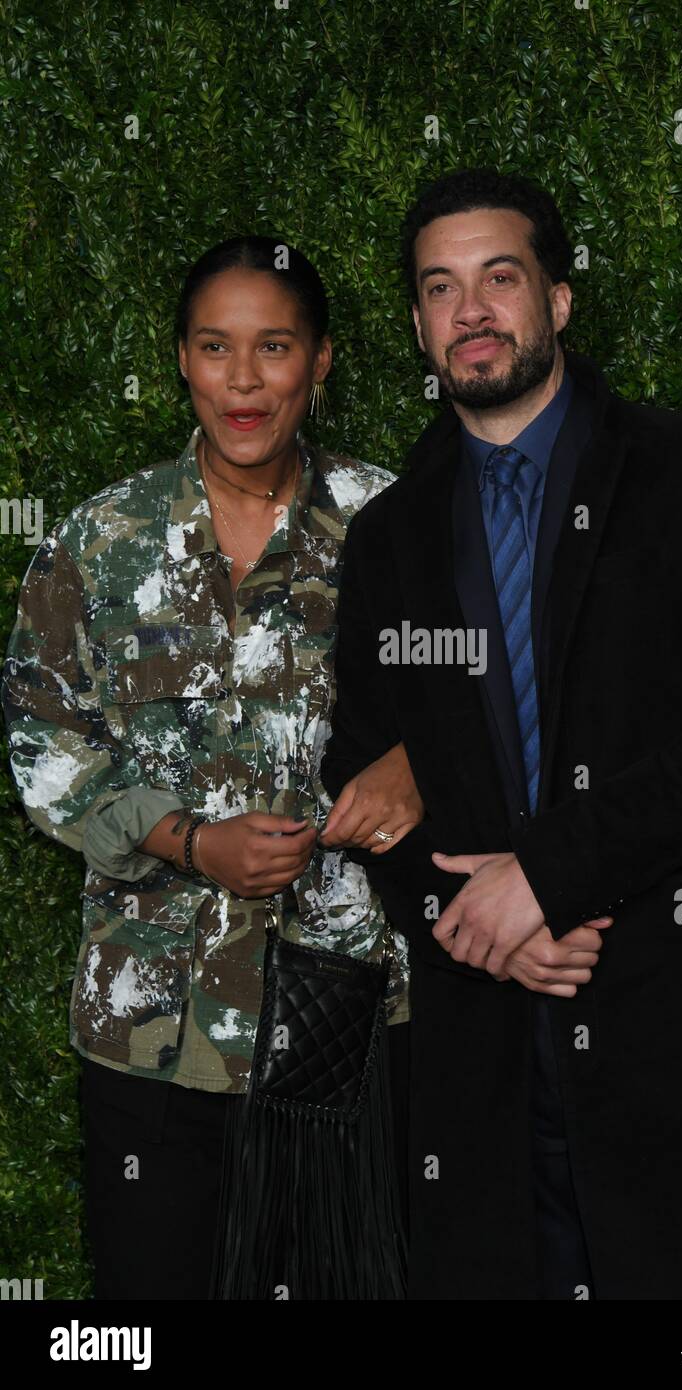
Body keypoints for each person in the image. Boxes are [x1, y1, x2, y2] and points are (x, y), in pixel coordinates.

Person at [319, 167, 682, 1300]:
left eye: (497, 278)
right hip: (483, 1066)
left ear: (555, 299)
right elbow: (356, 771)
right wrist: (474, 925)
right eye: (439, 288)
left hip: (676, 1041)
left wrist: (546, 878)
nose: (470, 312)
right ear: (416, 323)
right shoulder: (390, 537)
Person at [2, 235, 421, 1300]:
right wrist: (188, 840)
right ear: (182, 359)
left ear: (319, 361)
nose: (243, 380)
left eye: (273, 347)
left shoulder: (398, 525)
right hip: (154, 1028)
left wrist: (420, 764)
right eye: (214, 347)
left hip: (346, 1015)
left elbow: (492, 705)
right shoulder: (102, 540)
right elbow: (43, 741)